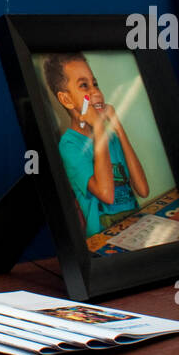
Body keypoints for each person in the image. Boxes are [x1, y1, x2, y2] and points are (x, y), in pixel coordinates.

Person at [42, 53, 150, 239]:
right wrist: (99, 126)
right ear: (66, 100)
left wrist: (118, 127)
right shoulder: (69, 146)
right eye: (84, 85)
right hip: (104, 240)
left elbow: (142, 189)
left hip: (134, 230)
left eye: (95, 84)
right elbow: (106, 195)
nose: (96, 92)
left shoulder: (110, 138)